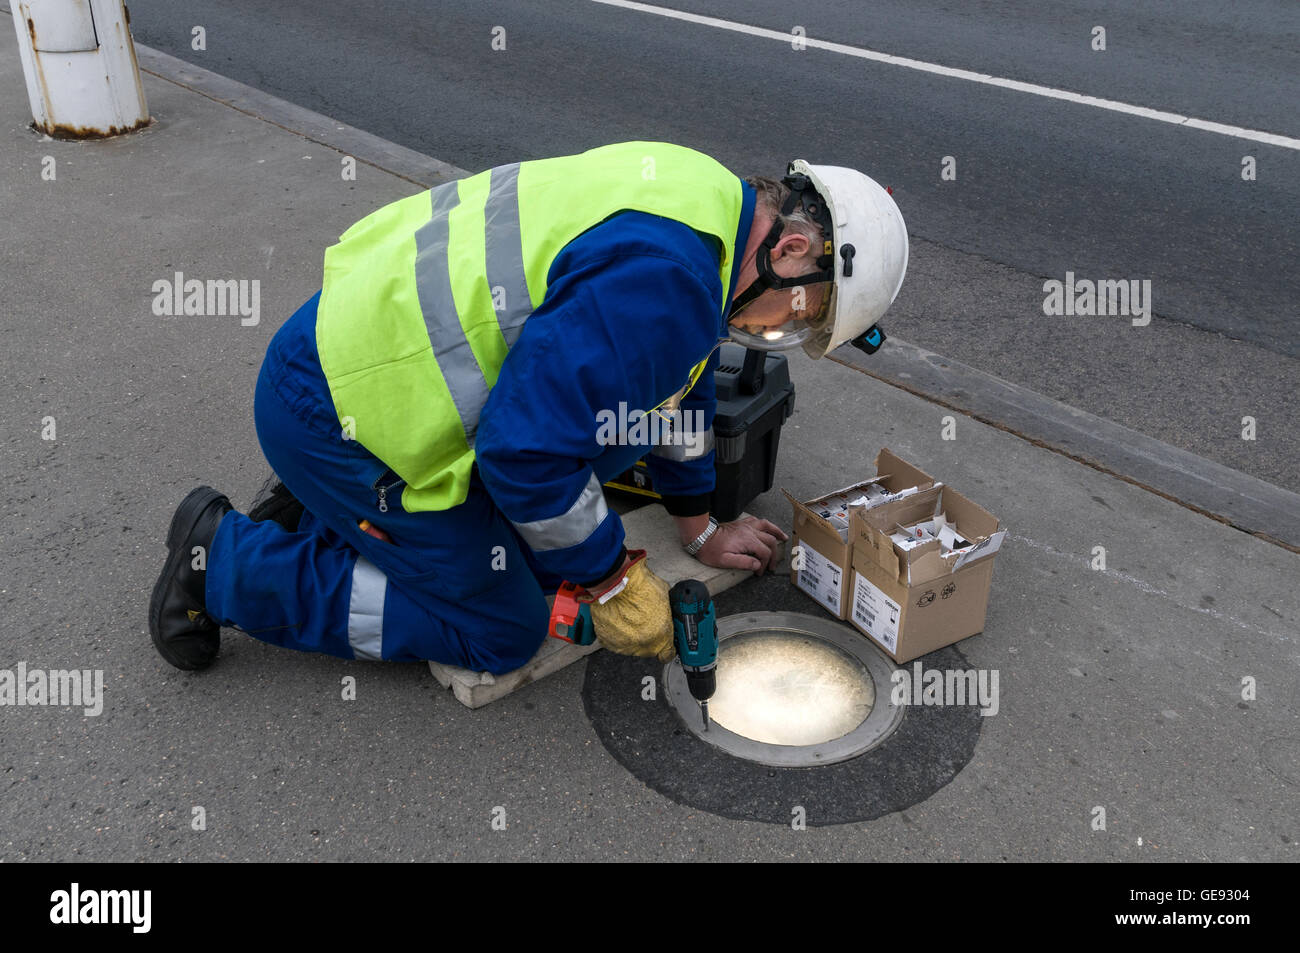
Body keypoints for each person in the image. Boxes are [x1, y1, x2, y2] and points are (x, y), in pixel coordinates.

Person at [148, 141, 908, 674]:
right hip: (334, 413)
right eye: (801, 316)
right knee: (502, 624)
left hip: (348, 357)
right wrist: (608, 581)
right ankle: (226, 564)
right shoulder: (668, 282)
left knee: (597, 447)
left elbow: (680, 380)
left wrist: (698, 523)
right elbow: (525, 451)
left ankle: (325, 511)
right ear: (793, 249)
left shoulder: (707, 204)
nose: (782, 330)